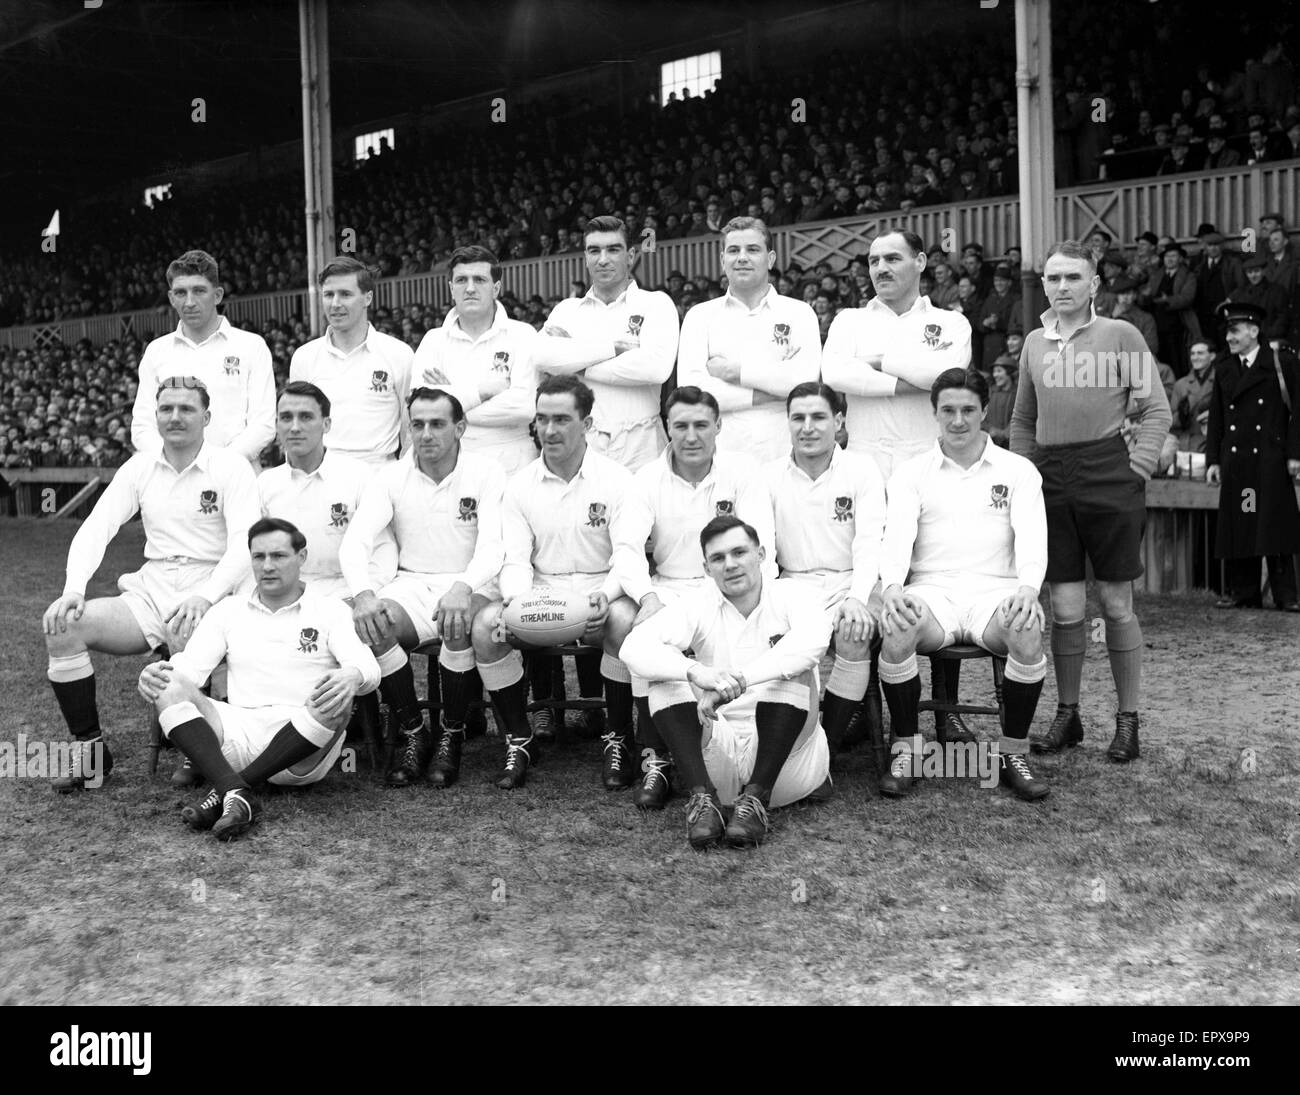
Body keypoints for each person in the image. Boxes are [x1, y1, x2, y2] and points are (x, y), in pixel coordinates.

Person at [41, 377, 260, 792]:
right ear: (155, 416)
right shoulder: (140, 466)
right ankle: (91, 751)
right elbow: (97, 527)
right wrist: (74, 588)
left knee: (186, 631)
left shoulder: (230, 467)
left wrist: (205, 596)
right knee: (64, 625)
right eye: (166, 409)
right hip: (152, 586)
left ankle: (203, 749)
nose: (175, 417)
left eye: (187, 409)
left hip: (214, 587)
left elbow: (243, 545)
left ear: (207, 417)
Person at [1010, 240, 1172, 764]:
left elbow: (1157, 411)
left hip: (1108, 474)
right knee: (1065, 608)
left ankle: (1128, 721)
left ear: (1094, 284)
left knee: (1118, 603)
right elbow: (1021, 421)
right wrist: (1022, 478)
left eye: (1072, 278)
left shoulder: (1121, 335)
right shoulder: (1034, 342)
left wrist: (1136, 470)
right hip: (1050, 478)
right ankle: (1069, 714)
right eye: (1053, 278)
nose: (1061, 287)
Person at [821, 228, 975, 741]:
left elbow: (950, 377)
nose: (880, 268)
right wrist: (912, 377)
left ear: (921, 262)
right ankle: (866, 705)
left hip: (930, 467)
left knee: (929, 578)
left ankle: (945, 707)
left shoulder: (950, 321)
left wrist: (878, 361)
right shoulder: (848, 321)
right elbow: (835, 374)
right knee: (868, 583)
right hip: (865, 468)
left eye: (892, 258)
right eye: (872, 260)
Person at [137, 518, 381, 841]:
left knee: (338, 696)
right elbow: (189, 670)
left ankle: (230, 788)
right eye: (258, 557)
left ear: (302, 557)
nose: (267, 566)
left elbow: (369, 669)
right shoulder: (228, 610)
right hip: (236, 735)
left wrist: (352, 675)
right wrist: (154, 676)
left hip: (302, 746)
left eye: (278, 556)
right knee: (167, 684)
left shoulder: (330, 609)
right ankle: (236, 790)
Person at [876, 368, 1050, 801]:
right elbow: (896, 536)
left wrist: (1028, 588)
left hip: (996, 592)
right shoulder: (911, 472)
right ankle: (908, 748)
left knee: (1027, 629)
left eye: (968, 410)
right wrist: (894, 585)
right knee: (897, 628)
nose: (958, 420)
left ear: (985, 412)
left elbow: (1032, 535)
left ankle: (1013, 753)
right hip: (934, 591)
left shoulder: (1018, 470)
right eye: (948, 410)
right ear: (934, 413)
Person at [619, 515, 833, 849]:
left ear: (761, 555)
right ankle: (703, 802)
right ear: (706, 568)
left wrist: (741, 681)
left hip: (787, 763)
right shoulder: (697, 603)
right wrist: (696, 673)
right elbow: (633, 647)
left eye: (739, 553)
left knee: (796, 670)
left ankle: (756, 801)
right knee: (664, 677)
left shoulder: (793, 595)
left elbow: (814, 642)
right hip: (720, 753)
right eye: (718, 558)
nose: (730, 565)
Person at [608, 386, 775, 809]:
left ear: (719, 426)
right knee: (642, 628)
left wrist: (742, 593)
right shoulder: (646, 478)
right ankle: (656, 759)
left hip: (725, 586)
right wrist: (647, 596)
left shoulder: (743, 471)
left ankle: (738, 742)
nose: (691, 436)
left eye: (702, 425)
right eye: (680, 426)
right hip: (668, 588)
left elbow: (762, 544)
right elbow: (627, 549)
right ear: (667, 428)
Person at [471, 376, 635, 790]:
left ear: (588, 424)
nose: (549, 430)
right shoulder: (519, 486)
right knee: (486, 628)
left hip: (600, 589)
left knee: (625, 621)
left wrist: (607, 595)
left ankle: (617, 739)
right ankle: (519, 737)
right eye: (542, 419)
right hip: (542, 593)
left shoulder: (618, 480)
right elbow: (516, 559)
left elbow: (628, 553)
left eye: (562, 419)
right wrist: (515, 604)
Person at [338, 387, 506, 787]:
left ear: (460, 427)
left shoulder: (487, 471)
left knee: (459, 622)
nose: (426, 434)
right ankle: (415, 734)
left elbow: (495, 545)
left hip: (474, 582)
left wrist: (464, 587)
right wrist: (363, 594)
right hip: (411, 583)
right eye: (418, 424)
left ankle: (452, 735)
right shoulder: (391, 476)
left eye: (437, 424)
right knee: (374, 622)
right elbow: (355, 541)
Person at [764, 382, 887, 770]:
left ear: (838, 421)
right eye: (798, 418)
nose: (808, 427)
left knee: (854, 633)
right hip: (792, 583)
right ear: (787, 422)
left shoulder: (862, 469)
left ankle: (823, 752)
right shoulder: (768, 475)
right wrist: (769, 599)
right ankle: (783, 738)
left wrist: (858, 596)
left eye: (818, 417)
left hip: (850, 582)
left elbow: (870, 545)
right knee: (780, 639)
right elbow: (763, 551)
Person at [530, 217, 678, 471]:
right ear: (585, 257)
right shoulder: (567, 310)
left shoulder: (656, 303)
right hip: (584, 442)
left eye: (613, 249)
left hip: (642, 444)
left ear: (630, 256)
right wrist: (614, 348)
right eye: (594, 250)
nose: (603, 259)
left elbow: (655, 368)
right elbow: (543, 357)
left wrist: (577, 363)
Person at [676, 217, 821, 463]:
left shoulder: (799, 313)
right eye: (733, 250)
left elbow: (805, 383)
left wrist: (736, 372)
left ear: (771, 258)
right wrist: (772, 391)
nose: (742, 257)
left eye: (753, 249)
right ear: (723, 260)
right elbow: (692, 392)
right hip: (722, 454)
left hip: (785, 452)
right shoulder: (700, 315)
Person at [131, 251, 274, 466]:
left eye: (199, 291)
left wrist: (221, 464)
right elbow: (142, 426)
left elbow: (263, 423)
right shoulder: (156, 351)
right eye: (181, 293)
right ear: (171, 298)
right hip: (171, 475)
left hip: (236, 475)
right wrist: (173, 461)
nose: (189, 302)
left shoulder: (251, 346)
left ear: (217, 295)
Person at [257, 381, 396, 600]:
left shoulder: (359, 476)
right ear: (276, 425)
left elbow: (384, 551)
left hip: (348, 593)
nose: (294, 427)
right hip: (285, 596)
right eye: (286, 418)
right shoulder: (264, 485)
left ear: (326, 424)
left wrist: (361, 595)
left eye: (306, 417)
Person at [1205, 301, 1300, 611]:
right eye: (1228, 332)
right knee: (1243, 521)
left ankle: (1287, 596)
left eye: (1235, 331)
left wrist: (1295, 454)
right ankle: (1244, 591)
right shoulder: (1225, 367)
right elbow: (1217, 418)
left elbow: (1297, 411)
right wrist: (1214, 461)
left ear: (1254, 331)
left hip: (1270, 458)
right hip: (1238, 462)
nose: (1229, 338)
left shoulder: (1280, 363)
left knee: (1275, 523)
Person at [414, 245, 541, 475]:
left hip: (512, 465)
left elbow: (524, 408)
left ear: (496, 288)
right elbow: (421, 410)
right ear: (451, 289)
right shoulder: (433, 340)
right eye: (462, 280)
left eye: (479, 280)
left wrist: (448, 402)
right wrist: (483, 392)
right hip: (448, 464)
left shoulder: (523, 335)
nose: (470, 288)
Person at [288, 256, 413, 467]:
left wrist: (403, 478)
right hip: (323, 476)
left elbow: (410, 427)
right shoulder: (304, 357)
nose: (335, 304)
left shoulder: (399, 354)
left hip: (379, 474)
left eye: (345, 294)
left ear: (368, 298)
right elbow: (296, 425)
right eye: (329, 295)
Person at [1143, 244, 1200, 379]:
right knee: (1160, 358)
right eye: (1167, 256)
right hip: (1157, 324)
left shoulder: (1188, 275)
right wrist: (1145, 296)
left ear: (1180, 259)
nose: (1170, 259)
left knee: (1178, 360)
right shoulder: (1157, 275)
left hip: (1178, 324)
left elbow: (1187, 297)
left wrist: (1167, 300)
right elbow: (1147, 293)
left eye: (1173, 256)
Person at [1229, 254, 1292, 345]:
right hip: (1247, 340)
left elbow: (1283, 317)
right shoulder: (1241, 294)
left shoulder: (1277, 291)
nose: (1253, 275)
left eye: (1256, 271)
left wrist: (1269, 334)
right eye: (1250, 272)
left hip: (1269, 339)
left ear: (1264, 271)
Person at [1170, 339, 1216, 453]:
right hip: (1187, 442)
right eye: (1192, 354)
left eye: (1200, 353)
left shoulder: (1221, 381)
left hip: (1213, 441)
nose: (1195, 357)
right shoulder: (1181, 385)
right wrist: (1182, 416)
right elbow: (1170, 420)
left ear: (1212, 356)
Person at [986, 358, 1018, 446]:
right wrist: (990, 430)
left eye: (999, 371)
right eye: (994, 371)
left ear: (1009, 372)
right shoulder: (990, 393)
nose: (995, 375)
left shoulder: (1018, 394)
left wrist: (1004, 433)